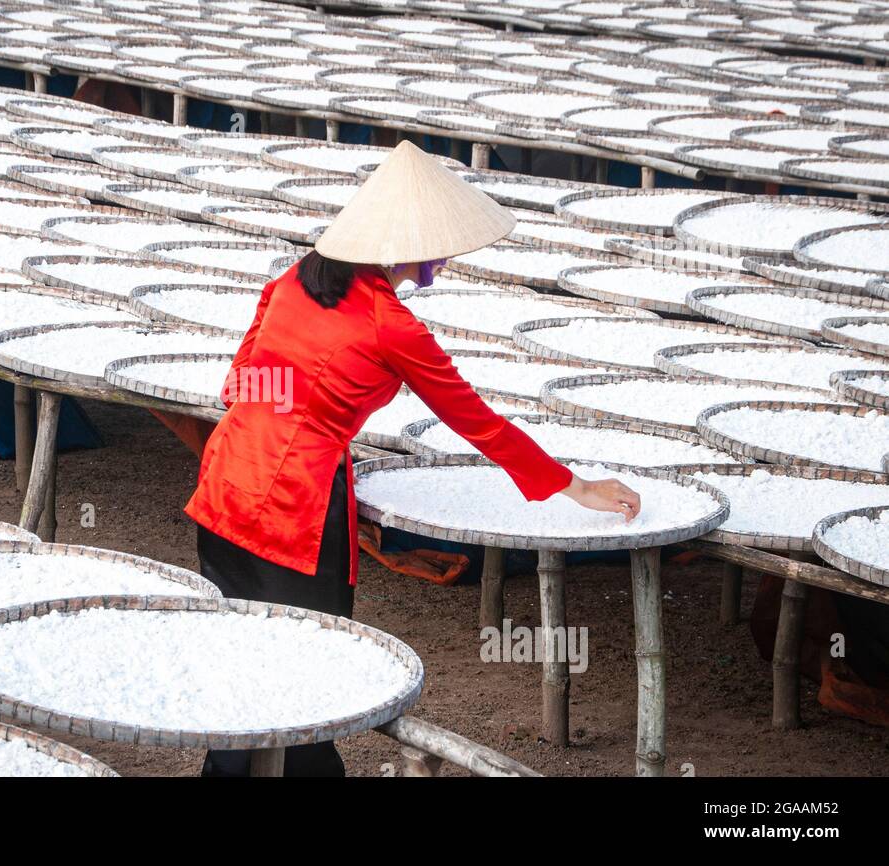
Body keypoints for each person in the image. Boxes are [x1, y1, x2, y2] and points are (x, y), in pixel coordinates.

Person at [185, 141, 641, 777]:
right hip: (294, 511)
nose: (446, 259)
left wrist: (303, 411)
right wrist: (577, 487)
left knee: (246, 666)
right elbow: (475, 420)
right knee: (313, 678)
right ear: (412, 250)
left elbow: (239, 385)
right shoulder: (389, 324)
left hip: (225, 481)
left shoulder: (296, 278)